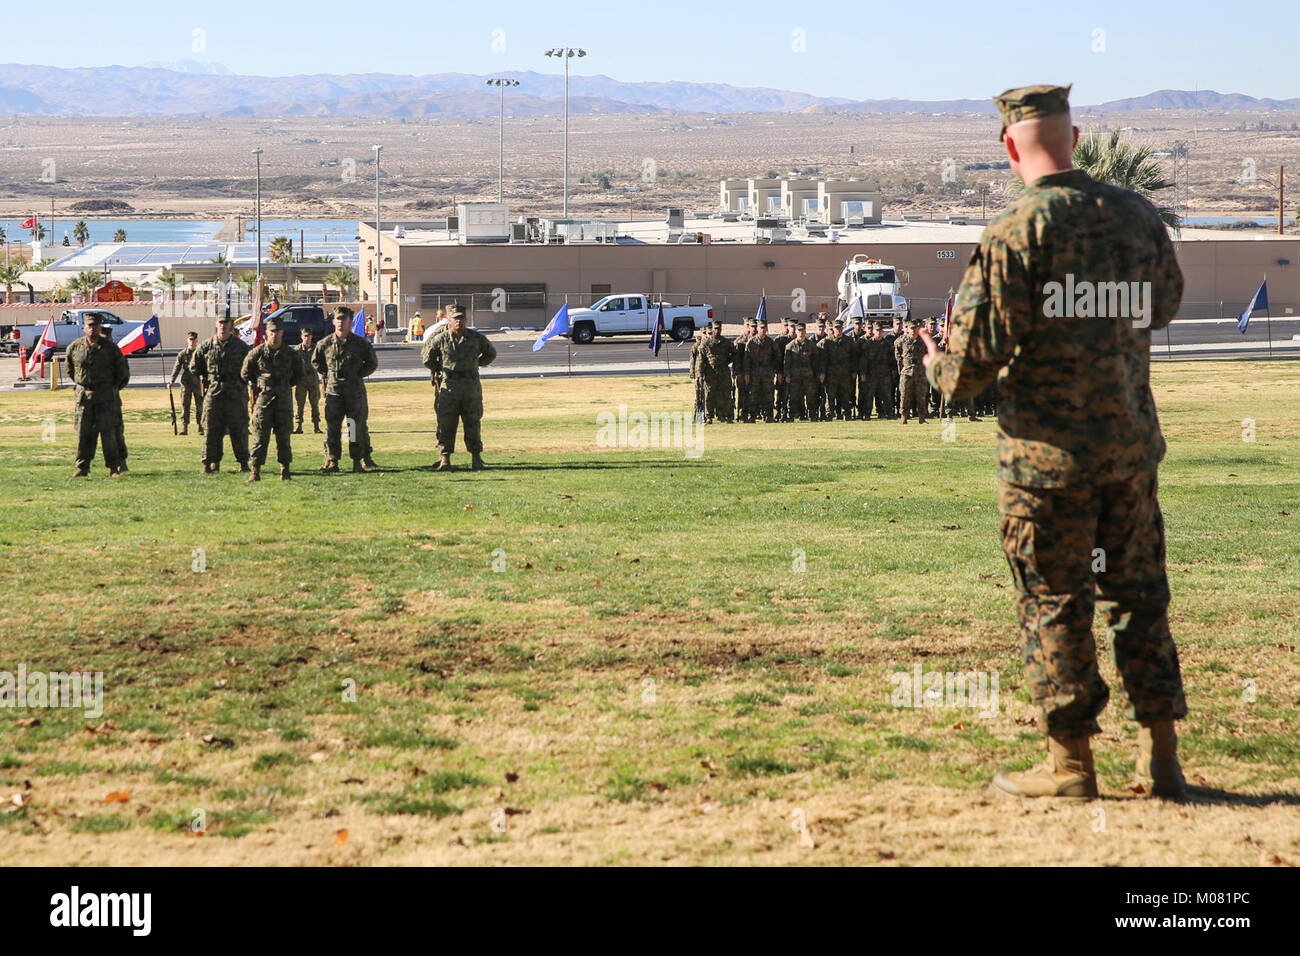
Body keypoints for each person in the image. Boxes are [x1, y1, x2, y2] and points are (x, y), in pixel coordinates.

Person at [923, 83, 1187, 801]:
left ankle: (1071, 763)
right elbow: (1164, 304)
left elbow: (969, 368)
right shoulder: (1135, 215)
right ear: (1075, 139)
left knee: (1054, 600)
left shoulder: (1015, 233)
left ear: (1011, 148)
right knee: (1140, 598)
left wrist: (934, 367)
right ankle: (1160, 757)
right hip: (1129, 452)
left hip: (1045, 465)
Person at [421, 303, 497, 471]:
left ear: (466, 319)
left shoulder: (476, 338)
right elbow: (427, 358)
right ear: (448, 320)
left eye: (461, 319)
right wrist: (440, 369)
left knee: (473, 422)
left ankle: (476, 457)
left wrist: (477, 363)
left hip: (471, 387)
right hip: (449, 386)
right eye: (455, 319)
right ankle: (445, 458)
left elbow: (491, 353)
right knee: (446, 423)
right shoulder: (441, 339)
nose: (459, 322)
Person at [313, 305, 379, 473]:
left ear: (351, 323)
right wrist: (328, 374)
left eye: (345, 319)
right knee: (332, 429)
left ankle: (357, 461)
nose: (341, 322)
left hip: (354, 393)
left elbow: (372, 363)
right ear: (334, 321)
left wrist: (357, 375)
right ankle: (333, 460)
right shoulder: (325, 343)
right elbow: (316, 362)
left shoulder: (360, 344)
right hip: (334, 393)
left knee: (355, 428)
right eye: (338, 319)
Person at [65, 313, 128, 477]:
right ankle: (83, 467)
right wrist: (84, 384)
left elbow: (122, 372)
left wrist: (112, 388)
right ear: (84, 328)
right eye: (89, 326)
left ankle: (114, 467)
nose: (92, 329)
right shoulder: (74, 347)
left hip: (105, 396)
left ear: (100, 328)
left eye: (95, 326)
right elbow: (70, 370)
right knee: (83, 433)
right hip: (84, 397)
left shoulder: (110, 348)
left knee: (109, 433)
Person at [241, 315, 302, 481]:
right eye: (271, 331)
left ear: (282, 333)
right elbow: (245, 373)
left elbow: (299, 375)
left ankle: (285, 470)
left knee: (284, 438)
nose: (274, 334)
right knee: (260, 437)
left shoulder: (291, 354)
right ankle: (255, 471)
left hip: (283, 401)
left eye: (277, 331)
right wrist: (259, 385)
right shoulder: (257, 353)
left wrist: (284, 386)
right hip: (264, 401)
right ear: (266, 334)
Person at [191, 315, 251, 474]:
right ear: (216, 324)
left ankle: (243, 462)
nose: (223, 326)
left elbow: (250, 367)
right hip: (214, 393)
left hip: (235, 393)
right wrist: (210, 378)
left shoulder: (241, 347)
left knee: (239, 429)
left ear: (231, 325)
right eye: (221, 323)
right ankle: (209, 463)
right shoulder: (206, 346)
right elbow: (195, 367)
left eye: (226, 323)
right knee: (211, 429)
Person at [743, 317, 781, 422]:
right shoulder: (751, 343)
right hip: (754, 373)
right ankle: (753, 416)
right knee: (753, 395)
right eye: (761, 328)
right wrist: (747, 373)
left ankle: (769, 416)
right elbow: (747, 360)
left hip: (767, 373)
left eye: (764, 328)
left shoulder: (771, 343)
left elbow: (777, 358)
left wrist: (775, 371)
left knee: (768, 395)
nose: (763, 330)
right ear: (758, 329)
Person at [783, 321, 820, 421]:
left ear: (805, 331)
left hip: (808, 376)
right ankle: (792, 415)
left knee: (810, 396)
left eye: (802, 330)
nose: (801, 333)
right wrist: (787, 375)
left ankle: (812, 415)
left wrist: (817, 374)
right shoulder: (790, 346)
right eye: (799, 331)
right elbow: (787, 363)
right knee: (794, 397)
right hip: (795, 377)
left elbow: (816, 361)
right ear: (796, 331)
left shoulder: (811, 346)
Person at [168, 330, 203, 435]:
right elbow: (177, 368)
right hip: (186, 383)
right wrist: (171, 380)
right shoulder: (182, 354)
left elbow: (206, 367)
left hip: (198, 383)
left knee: (200, 406)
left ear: (197, 341)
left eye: (194, 340)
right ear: (187, 341)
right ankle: (184, 428)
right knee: (185, 405)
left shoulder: (200, 353)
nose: (192, 342)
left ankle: (201, 427)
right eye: (190, 340)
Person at [897, 319, 928, 424]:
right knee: (905, 395)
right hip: (907, 373)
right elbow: (898, 356)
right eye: (912, 328)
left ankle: (922, 417)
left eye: (916, 328)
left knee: (921, 396)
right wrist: (903, 367)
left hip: (920, 372)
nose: (914, 330)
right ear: (908, 329)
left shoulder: (923, 341)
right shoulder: (901, 341)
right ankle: (904, 416)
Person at [294, 328, 322, 435]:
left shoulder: (316, 349)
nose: (306, 338)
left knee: (314, 404)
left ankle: (316, 426)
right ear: (301, 337)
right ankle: (298, 426)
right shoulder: (297, 350)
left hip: (313, 381)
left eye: (308, 336)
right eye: (304, 336)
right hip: (301, 381)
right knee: (299, 404)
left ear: (311, 337)